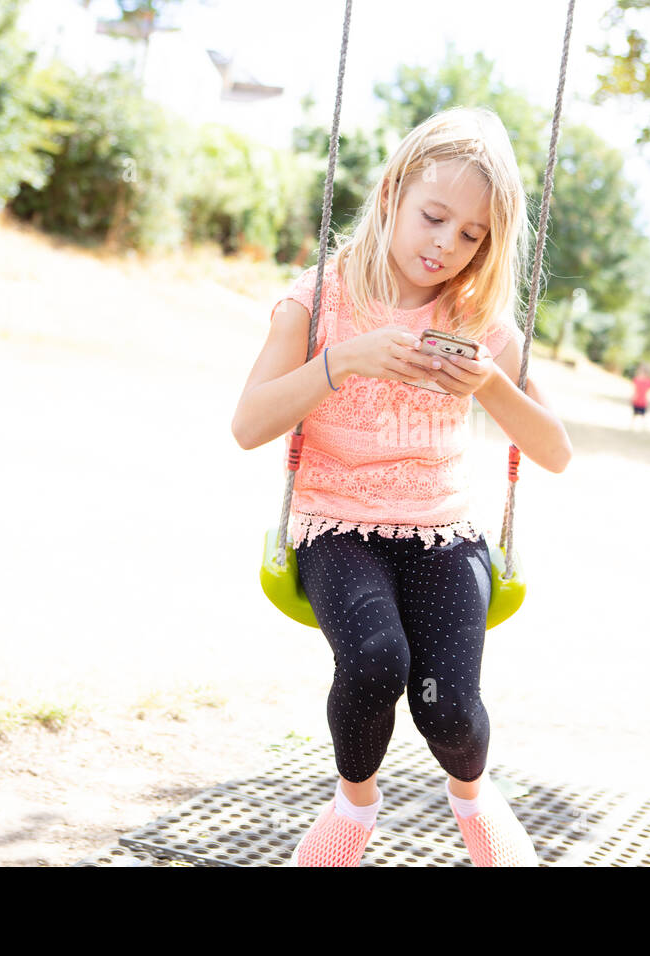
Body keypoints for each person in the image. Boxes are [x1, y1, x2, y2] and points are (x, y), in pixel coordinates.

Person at [231, 106, 573, 866]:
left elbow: (555, 450)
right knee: (376, 661)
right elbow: (248, 425)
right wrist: (343, 361)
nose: (446, 245)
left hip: (444, 532)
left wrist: (490, 384)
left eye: (471, 235)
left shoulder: (481, 321)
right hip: (335, 525)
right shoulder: (317, 300)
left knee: (449, 706)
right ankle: (355, 807)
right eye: (434, 216)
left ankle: (474, 798)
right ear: (390, 193)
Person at [630, 362, 650, 431]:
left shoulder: (648, 382)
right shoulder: (637, 380)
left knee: (642, 415)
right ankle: (632, 425)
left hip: (643, 401)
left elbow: (649, 392)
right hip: (637, 400)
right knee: (635, 414)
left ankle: (643, 426)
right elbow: (635, 390)